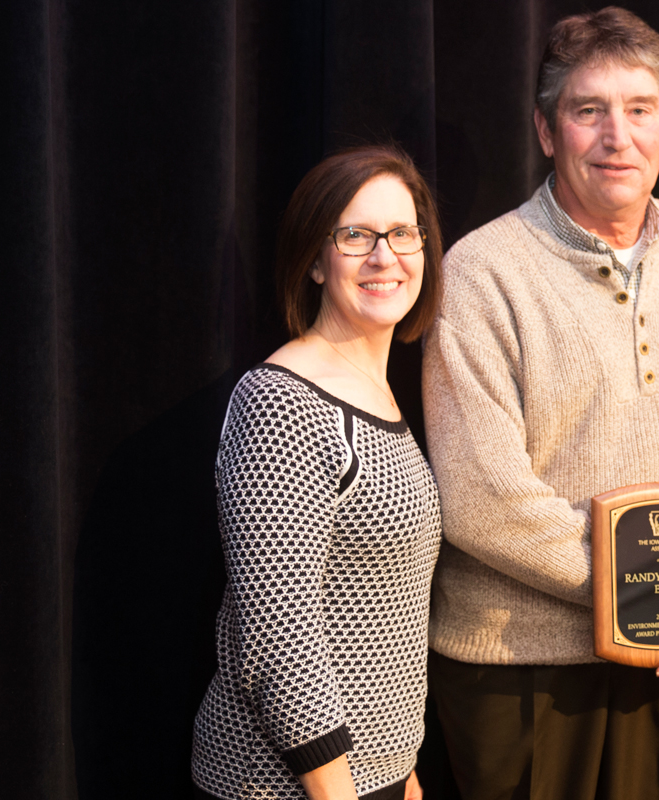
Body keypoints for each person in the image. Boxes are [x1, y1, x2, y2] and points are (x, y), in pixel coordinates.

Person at [420, 7, 659, 800]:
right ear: (545, 129)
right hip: (520, 671)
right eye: (587, 110)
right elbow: (482, 496)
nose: (615, 135)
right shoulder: (481, 272)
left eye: (640, 111)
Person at [191, 144, 444, 800]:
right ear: (314, 259)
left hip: (377, 776)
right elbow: (280, 629)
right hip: (284, 784)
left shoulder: (380, 393)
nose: (385, 255)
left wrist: (404, 770)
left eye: (403, 232)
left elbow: (380, 612)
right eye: (356, 235)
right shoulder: (282, 400)